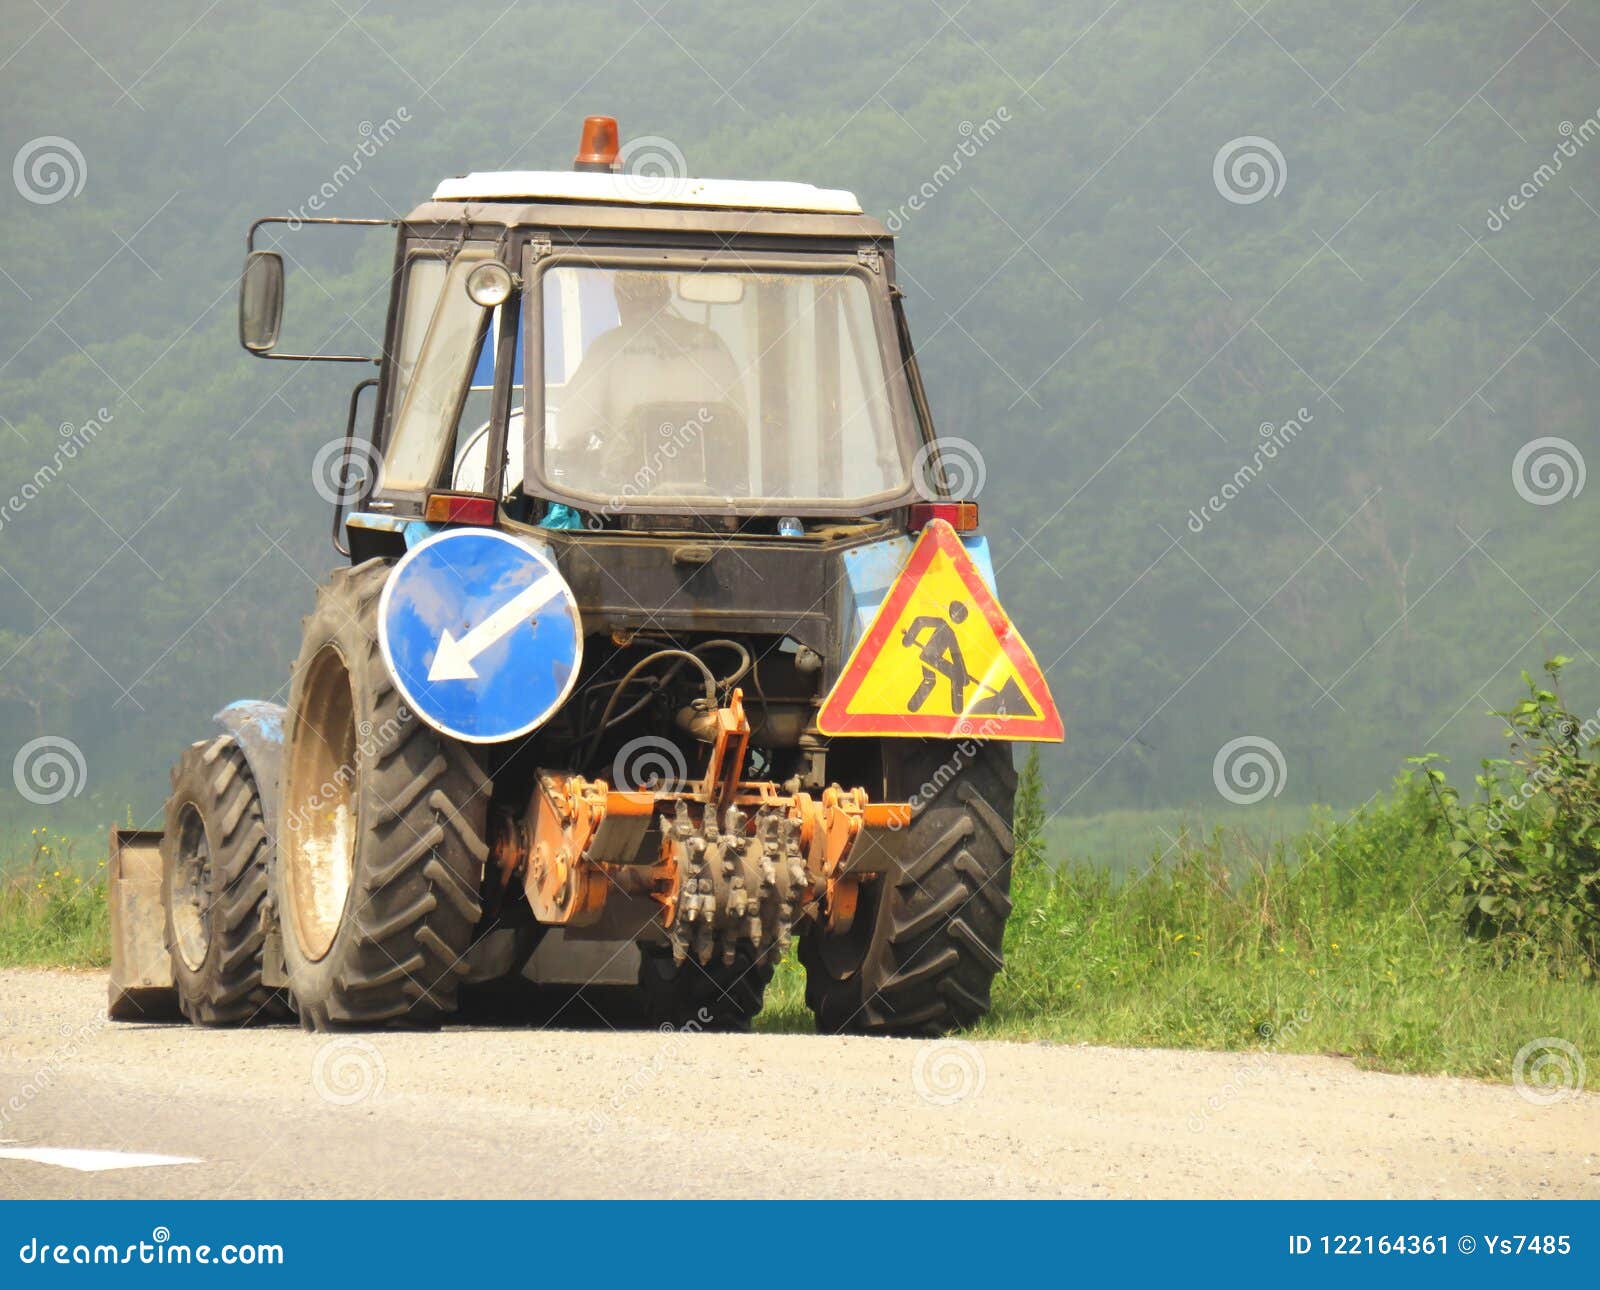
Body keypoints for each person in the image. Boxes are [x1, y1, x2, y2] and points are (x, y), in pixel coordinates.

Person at [549, 271, 746, 496]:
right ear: (666, 296)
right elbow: (740, 420)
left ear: (619, 298)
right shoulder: (712, 343)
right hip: (713, 495)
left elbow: (570, 427)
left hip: (630, 495)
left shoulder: (609, 346)